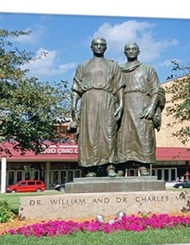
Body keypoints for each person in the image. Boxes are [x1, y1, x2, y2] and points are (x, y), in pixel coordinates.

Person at [70, 37, 125, 177]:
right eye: (96, 44)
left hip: (108, 100)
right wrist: (73, 106)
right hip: (89, 101)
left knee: (109, 133)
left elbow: (119, 87)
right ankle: (91, 168)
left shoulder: (113, 66)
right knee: (90, 134)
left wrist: (121, 105)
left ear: (106, 47)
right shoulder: (83, 66)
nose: (99, 47)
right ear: (91, 47)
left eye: (102, 45)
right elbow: (76, 88)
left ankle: (110, 166)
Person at [116, 42, 165, 176]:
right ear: (124, 52)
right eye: (128, 49)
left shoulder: (148, 69)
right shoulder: (118, 69)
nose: (131, 51)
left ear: (139, 51)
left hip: (143, 106)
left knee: (144, 136)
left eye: (134, 49)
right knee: (123, 137)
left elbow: (157, 89)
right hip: (125, 105)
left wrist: (152, 107)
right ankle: (121, 166)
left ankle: (143, 166)